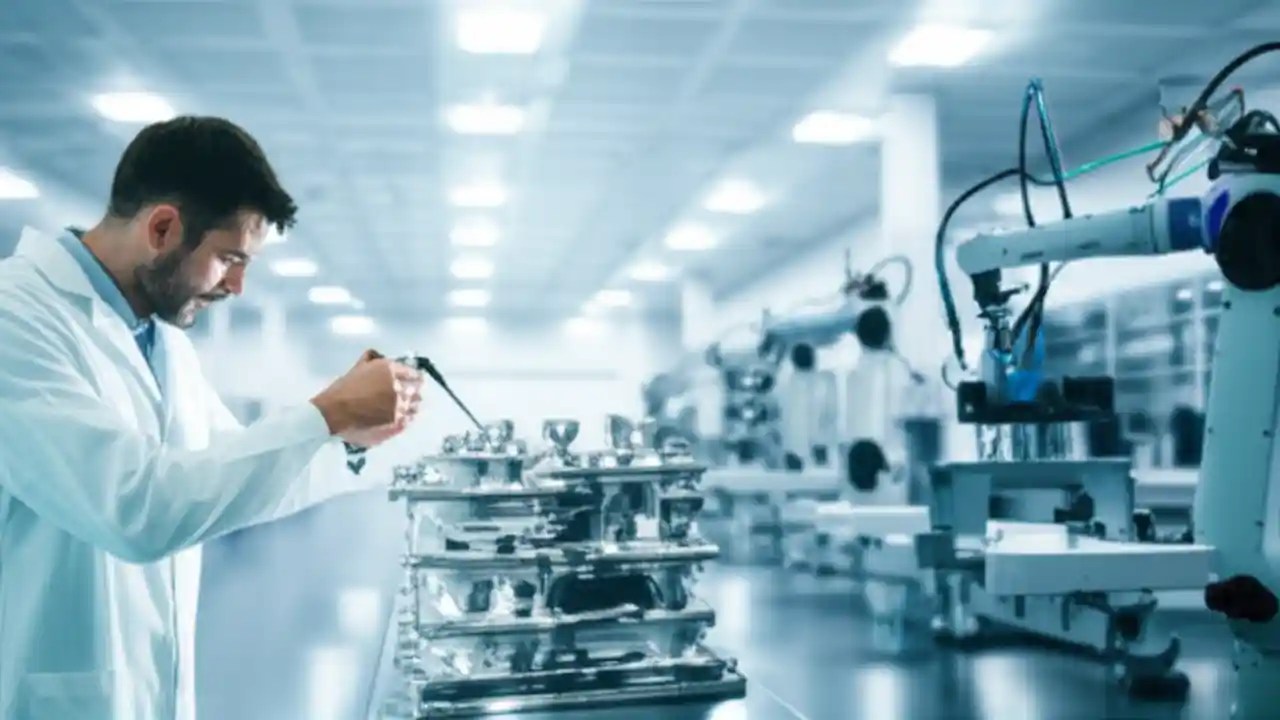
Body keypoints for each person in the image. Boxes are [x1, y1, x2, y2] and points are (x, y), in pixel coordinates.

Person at [0, 116, 423, 720]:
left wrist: (347, 438)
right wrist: (326, 410)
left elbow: (229, 481)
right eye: (230, 259)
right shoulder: (15, 318)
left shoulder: (161, 339)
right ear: (163, 227)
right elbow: (136, 510)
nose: (239, 286)